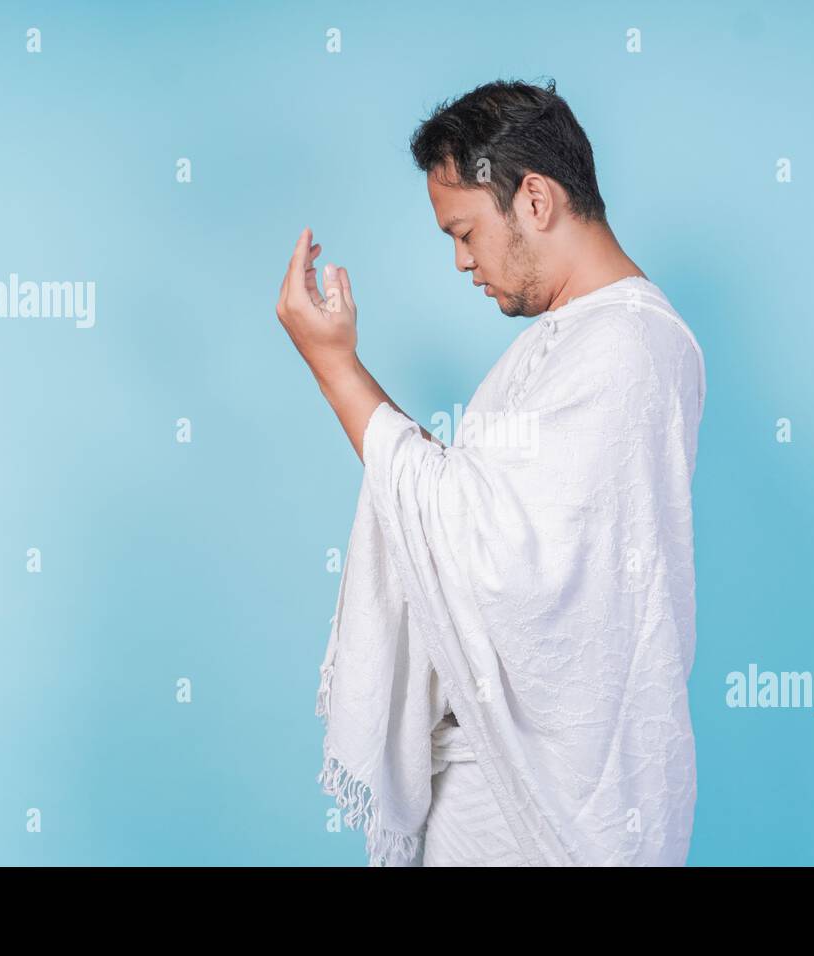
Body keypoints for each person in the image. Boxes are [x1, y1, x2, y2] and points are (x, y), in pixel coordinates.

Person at [282, 79, 706, 866]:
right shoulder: (571, 341)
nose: (460, 261)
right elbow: (481, 514)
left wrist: (334, 368)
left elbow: (505, 563)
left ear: (535, 200)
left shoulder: (627, 348)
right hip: (492, 789)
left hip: (547, 809)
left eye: (466, 231)